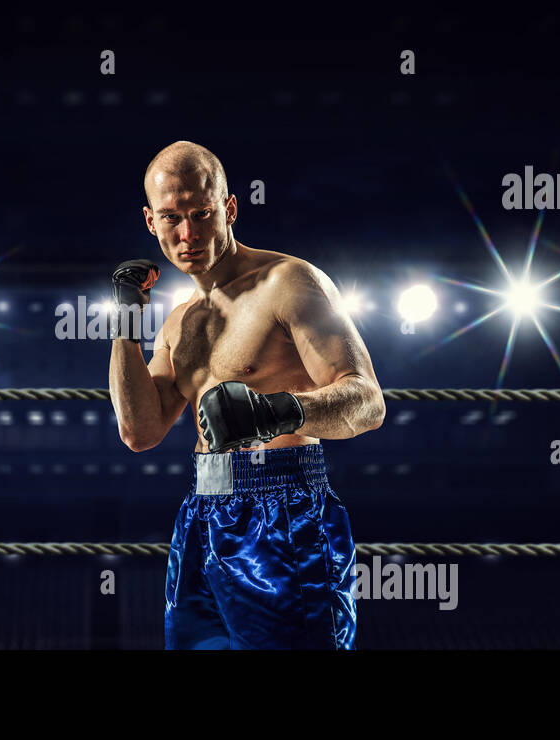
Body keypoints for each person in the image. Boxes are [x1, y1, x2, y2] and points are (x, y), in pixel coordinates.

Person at [107, 141, 386, 649]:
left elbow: (367, 401)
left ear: (229, 208)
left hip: (284, 510)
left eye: (202, 213)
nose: (188, 233)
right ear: (151, 222)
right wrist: (126, 323)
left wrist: (274, 413)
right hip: (201, 515)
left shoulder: (287, 281)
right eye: (172, 217)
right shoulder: (177, 322)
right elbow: (139, 431)